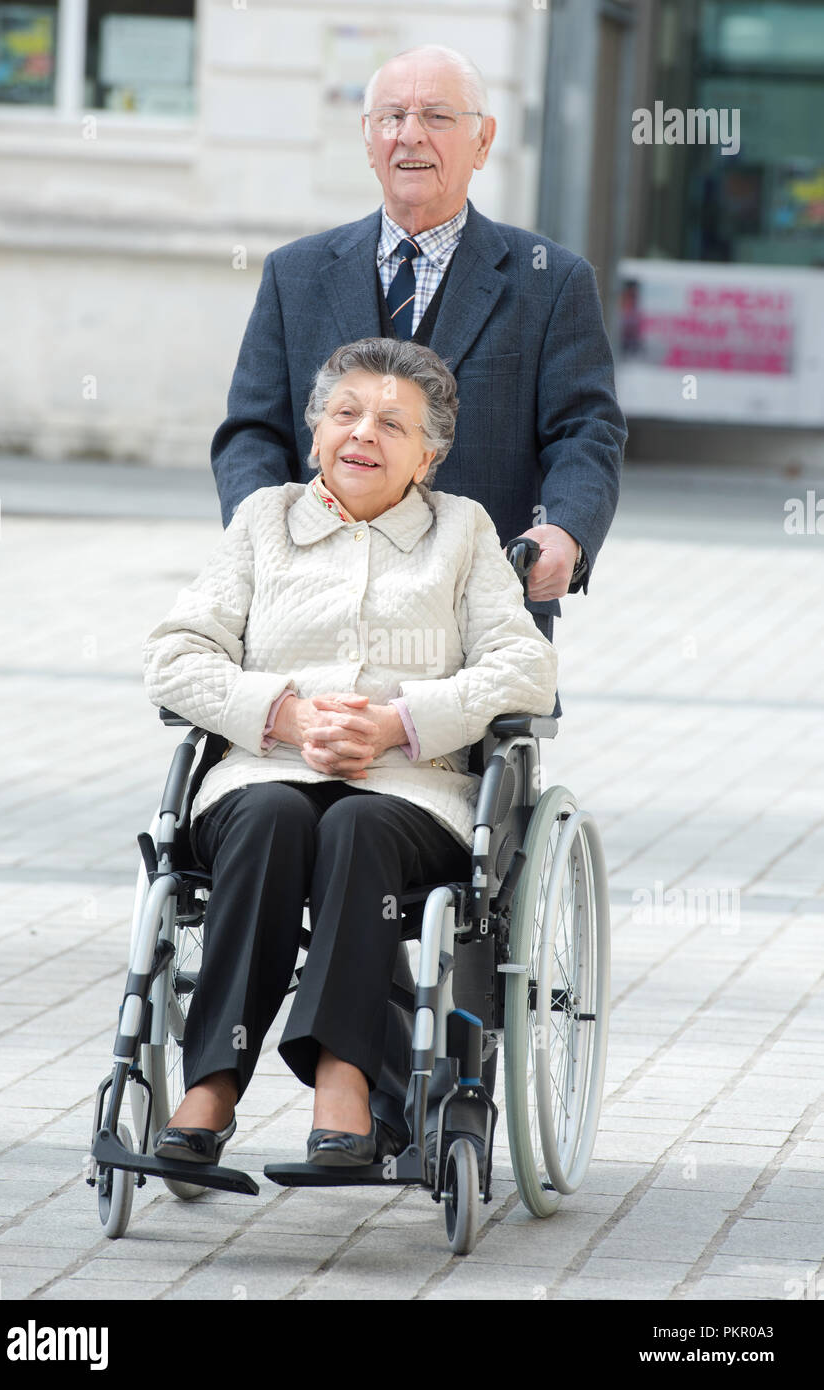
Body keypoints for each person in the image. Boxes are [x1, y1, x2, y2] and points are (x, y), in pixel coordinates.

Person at [209, 43, 627, 1155]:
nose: (411, 135)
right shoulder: (302, 271)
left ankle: (444, 1088)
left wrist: (561, 534)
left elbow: (585, 429)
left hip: (458, 626)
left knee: (438, 848)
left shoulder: (547, 280)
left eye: (438, 116)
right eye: (391, 113)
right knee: (282, 821)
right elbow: (252, 429)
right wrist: (275, 539)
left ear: (482, 141)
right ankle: (295, 1085)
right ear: (365, 133)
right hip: (311, 635)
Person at [143, 338, 557, 1168]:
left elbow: (525, 668)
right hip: (262, 771)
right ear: (314, 432)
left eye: (391, 423)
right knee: (268, 817)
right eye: (345, 414)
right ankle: (212, 1084)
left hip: (410, 789)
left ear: (429, 453)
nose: (362, 433)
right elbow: (175, 655)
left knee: (358, 827)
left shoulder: (462, 532)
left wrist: (400, 723)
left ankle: (346, 1083)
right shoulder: (265, 520)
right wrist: (284, 714)